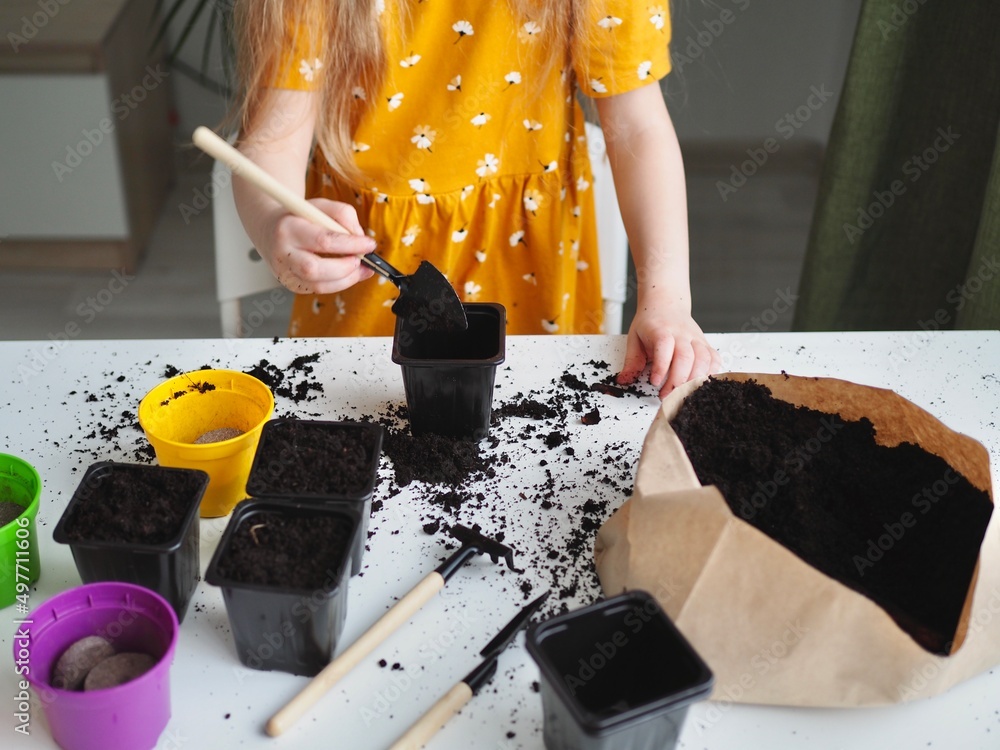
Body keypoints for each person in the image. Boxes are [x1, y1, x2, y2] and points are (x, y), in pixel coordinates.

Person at [229, 0, 721, 397]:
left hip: (534, 284)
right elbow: (270, 144)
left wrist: (667, 298)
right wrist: (275, 221)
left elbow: (637, 126)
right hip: (365, 301)